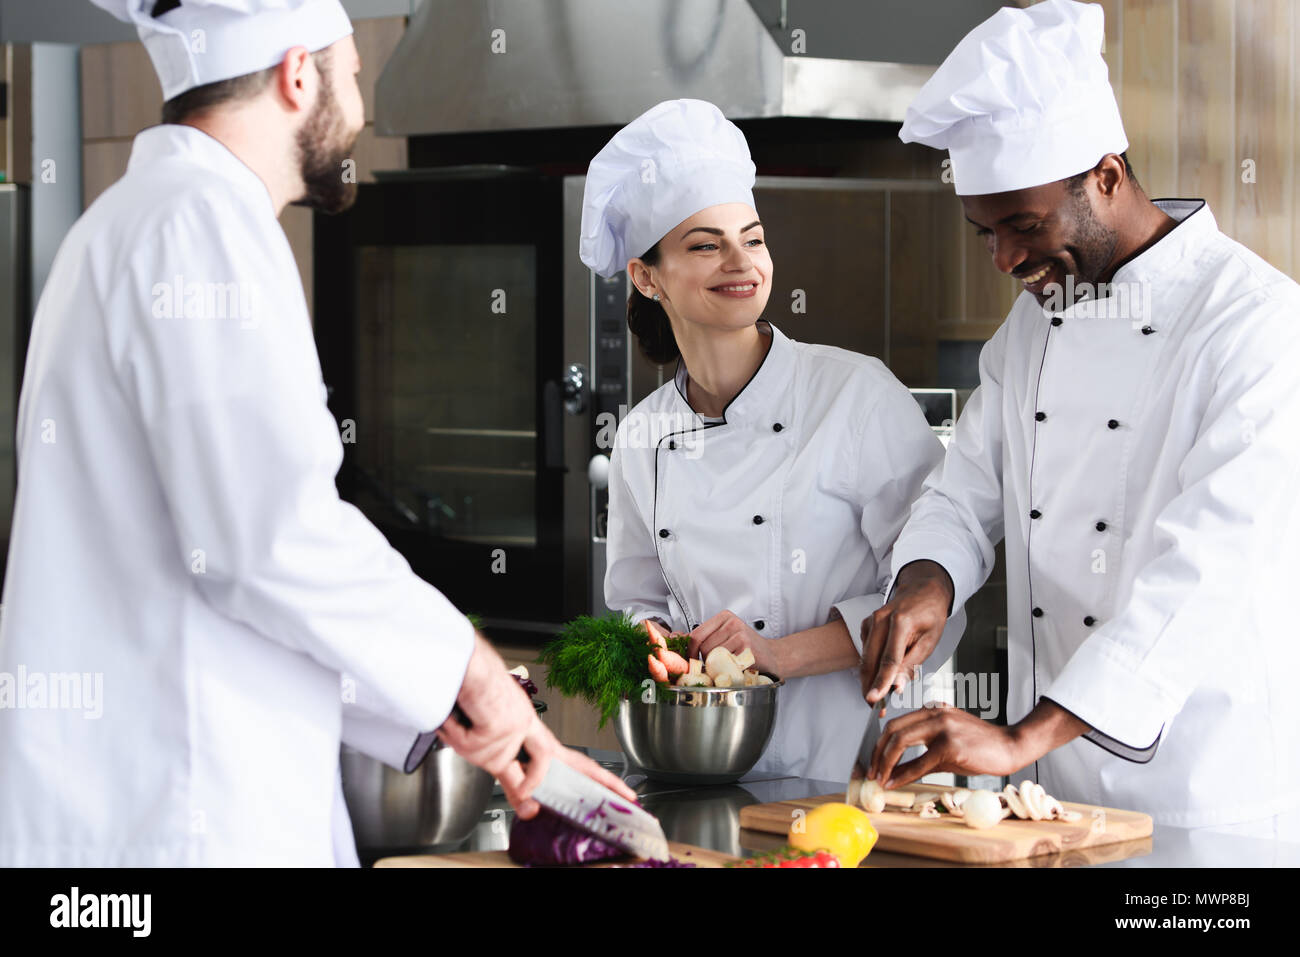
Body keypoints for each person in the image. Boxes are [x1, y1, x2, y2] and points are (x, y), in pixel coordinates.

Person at [0, 0, 631, 866]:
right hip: (188, 817)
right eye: (355, 74)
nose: (362, 111)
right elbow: (269, 537)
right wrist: (472, 669)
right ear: (300, 75)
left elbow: (222, 553)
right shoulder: (203, 227)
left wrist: (444, 703)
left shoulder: (118, 223)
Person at [862, 0, 1300, 840]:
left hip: (1211, 801)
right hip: (1052, 796)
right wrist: (929, 578)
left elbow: (1205, 575)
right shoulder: (1035, 325)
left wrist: (1022, 733)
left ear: (1105, 175)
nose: (1004, 259)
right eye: (984, 231)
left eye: (1024, 226)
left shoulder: (1255, 325)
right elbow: (967, 488)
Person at [584, 99, 966, 783]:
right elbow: (637, 603)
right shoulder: (641, 437)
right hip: (707, 766)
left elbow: (933, 600)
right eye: (705, 244)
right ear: (646, 275)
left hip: (860, 771)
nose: (741, 261)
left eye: (752, 238)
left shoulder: (853, 396)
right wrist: (666, 646)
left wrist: (777, 653)